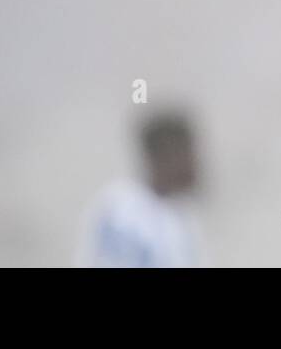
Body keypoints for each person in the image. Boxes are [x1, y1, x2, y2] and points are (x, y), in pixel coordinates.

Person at [76, 110, 202, 267]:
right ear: (164, 156)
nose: (196, 164)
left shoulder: (179, 214)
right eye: (187, 154)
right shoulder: (122, 211)